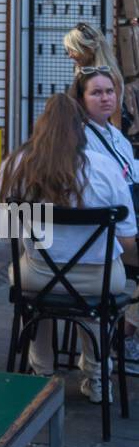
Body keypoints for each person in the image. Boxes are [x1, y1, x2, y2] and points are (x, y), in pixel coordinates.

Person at [0, 92, 138, 403]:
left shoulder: (16, 164)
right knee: (96, 300)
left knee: (41, 294)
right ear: (81, 127)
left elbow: (2, 230)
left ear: (39, 126)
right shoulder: (105, 167)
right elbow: (127, 240)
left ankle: (41, 372)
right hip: (99, 280)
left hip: (38, 277)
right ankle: (98, 377)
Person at [70, 68, 139, 373]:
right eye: (96, 92)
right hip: (103, 239)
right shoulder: (83, 140)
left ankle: (126, 331)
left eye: (109, 91)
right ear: (81, 100)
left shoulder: (115, 135)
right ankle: (126, 334)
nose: (106, 98)